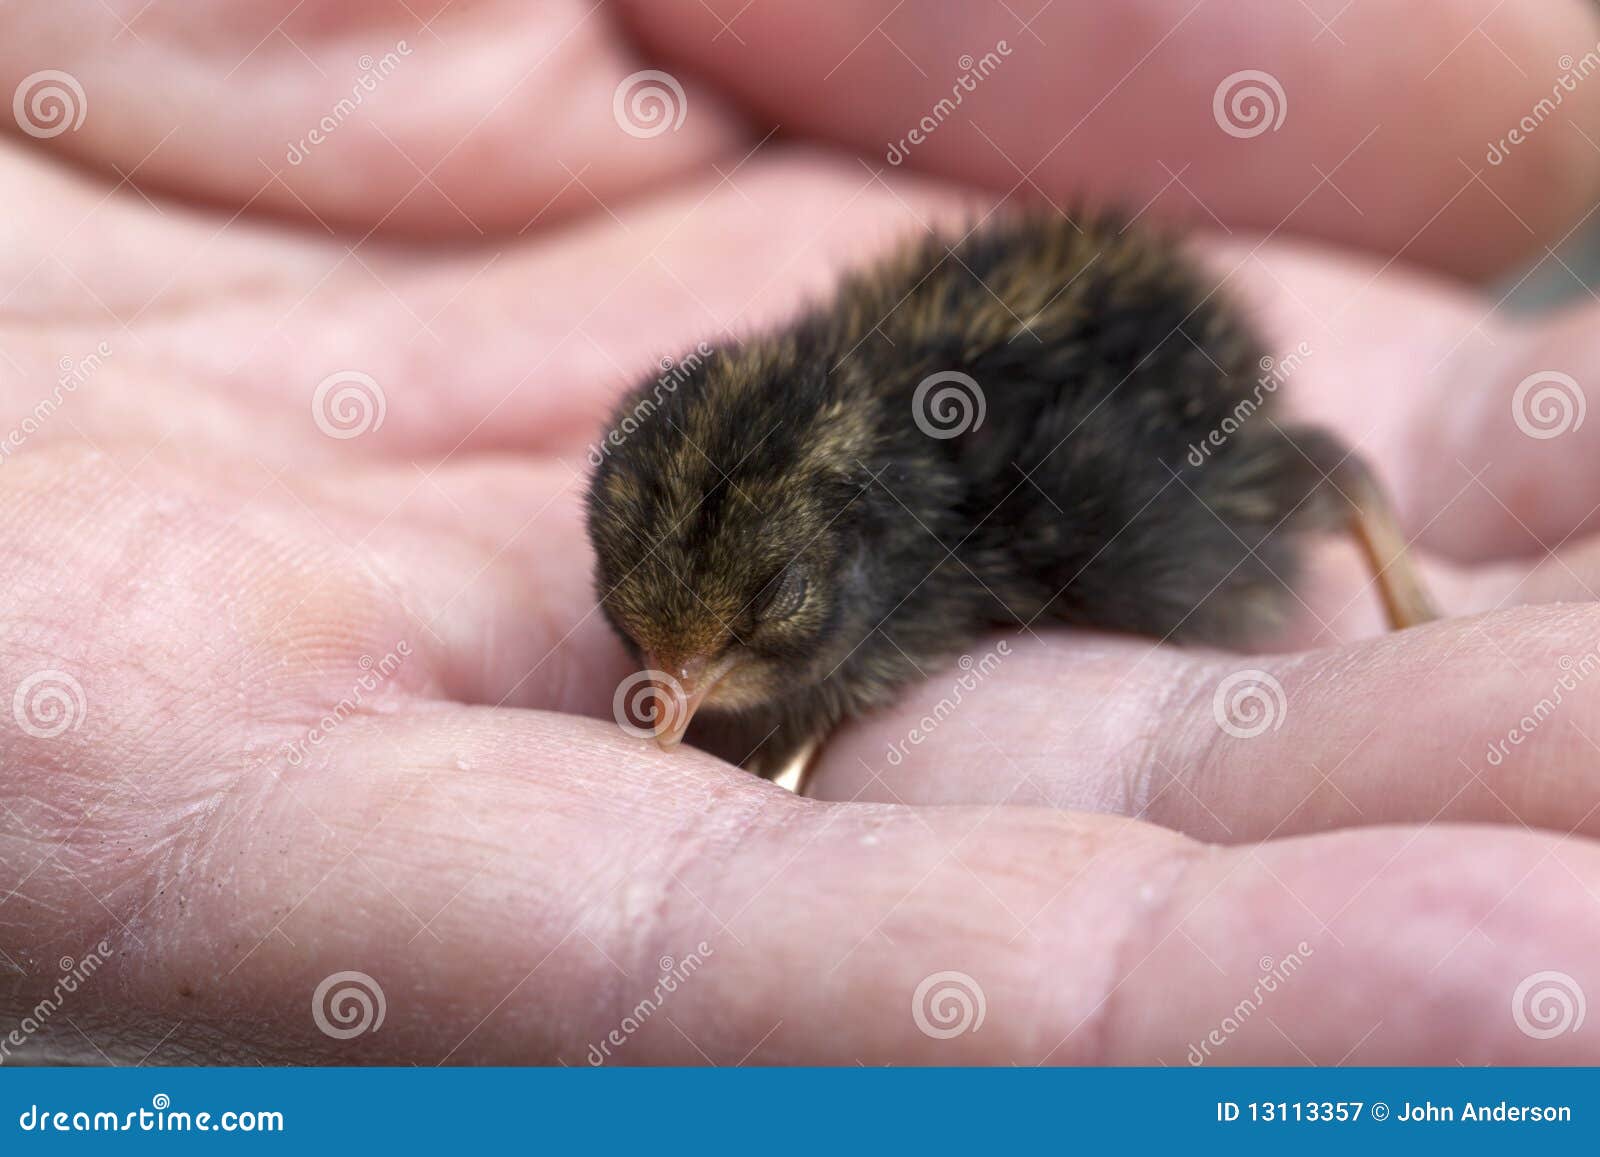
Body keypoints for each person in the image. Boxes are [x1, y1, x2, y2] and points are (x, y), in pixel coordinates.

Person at [3, 0, 1599, 1064]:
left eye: (713, 648)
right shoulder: (745, 488)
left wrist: (764, 723)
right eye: (650, 638)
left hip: (1134, 381)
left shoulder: (943, 514)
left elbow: (863, 615)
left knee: (1178, 528)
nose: (662, 682)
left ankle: (1364, 526)